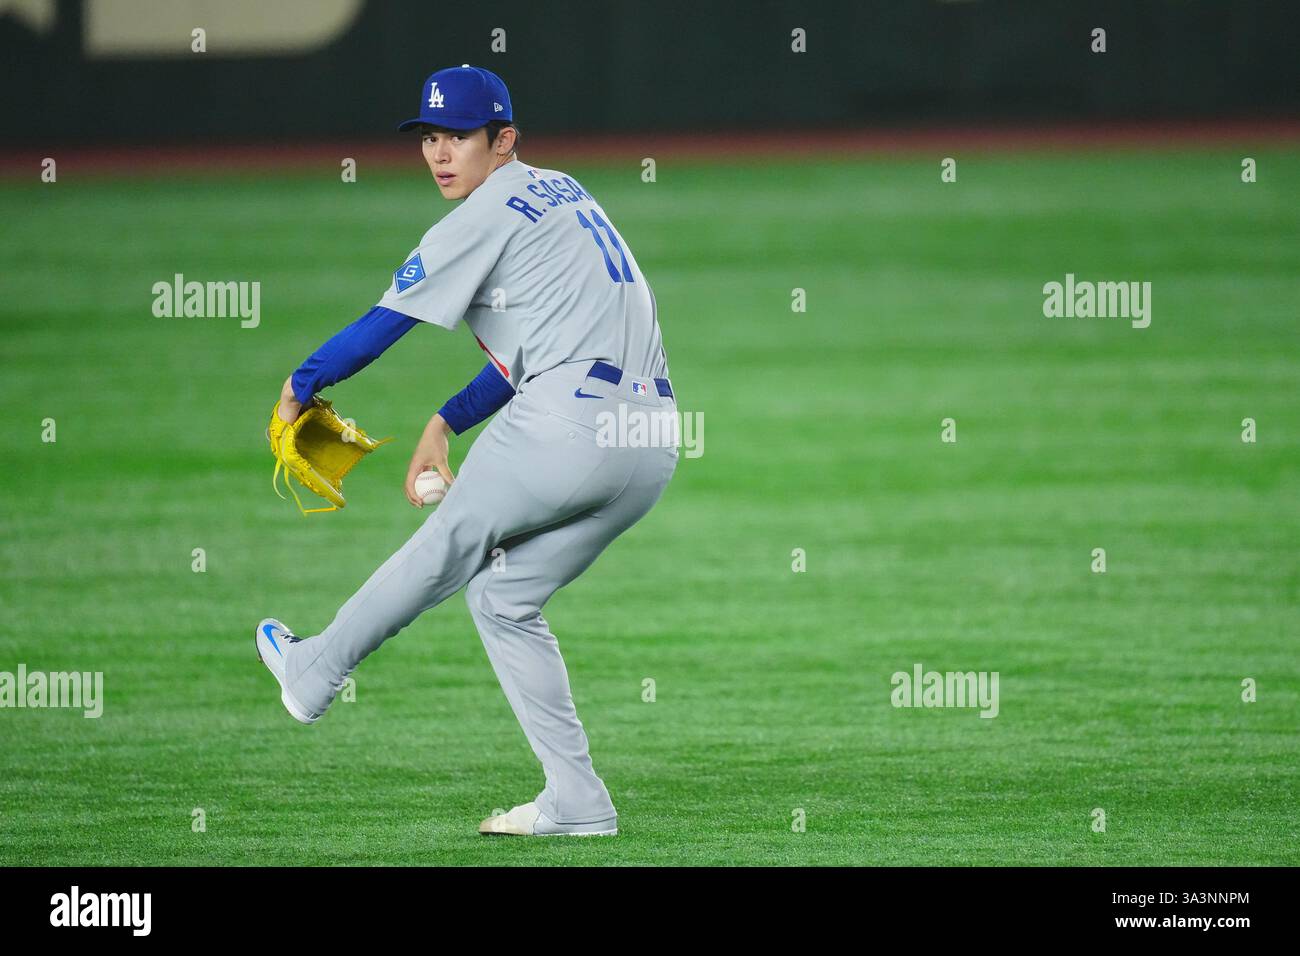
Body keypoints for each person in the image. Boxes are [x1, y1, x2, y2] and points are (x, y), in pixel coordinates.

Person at [254, 64, 678, 837]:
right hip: (648, 442)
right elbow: (532, 351)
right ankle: (577, 803)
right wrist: (447, 421)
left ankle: (314, 672)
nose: (441, 153)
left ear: (504, 139)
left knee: (448, 542)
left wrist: (300, 382)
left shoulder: (479, 216)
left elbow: (385, 324)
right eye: (431, 137)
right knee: (503, 596)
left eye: (459, 137)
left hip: (570, 423)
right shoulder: (564, 192)